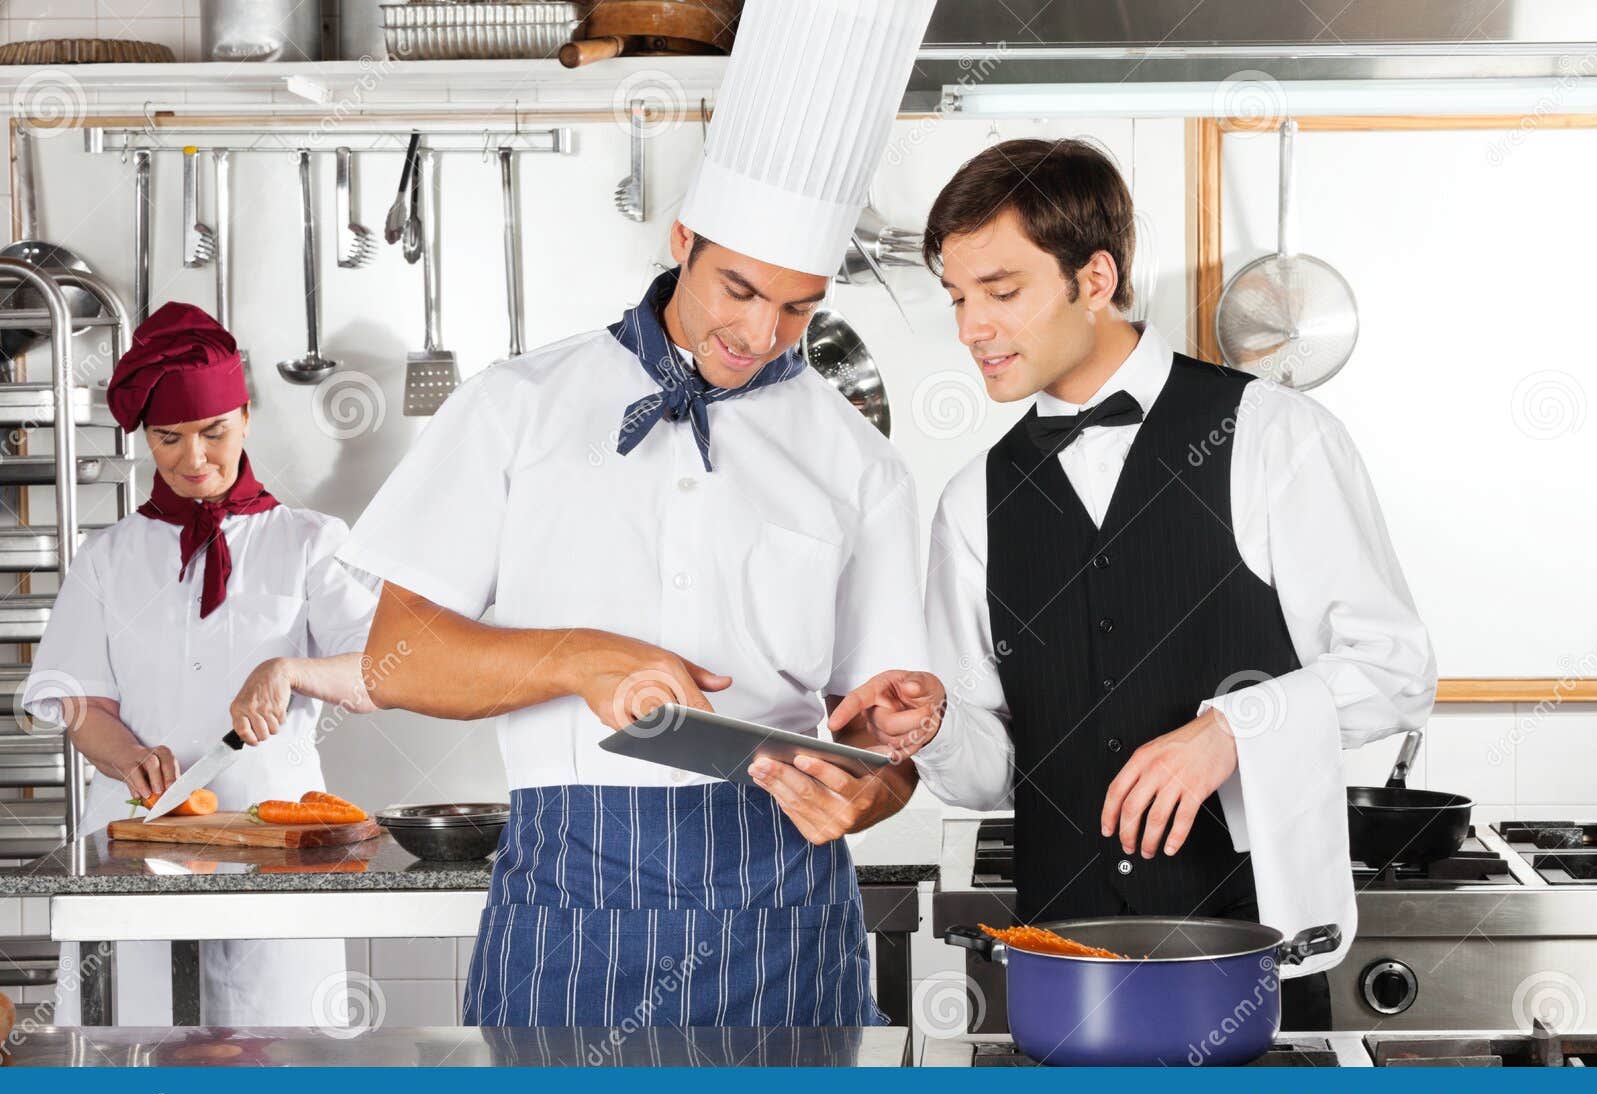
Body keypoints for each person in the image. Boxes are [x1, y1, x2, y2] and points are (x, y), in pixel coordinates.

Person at [335, 0, 937, 1028]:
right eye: (738, 289)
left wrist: (880, 770)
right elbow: (396, 661)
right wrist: (579, 658)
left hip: (785, 917)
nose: (759, 332)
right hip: (573, 911)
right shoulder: (516, 406)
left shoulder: (859, 461)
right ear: (683, 237)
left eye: (797, 306)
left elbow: (882, 746)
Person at [830, 138, 1437, 1030]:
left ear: (1096, 276)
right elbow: (996, 771)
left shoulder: (1277, 437)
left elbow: (1396, 668)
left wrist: (1231, 731)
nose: (971, 329)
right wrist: (933, 724)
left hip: (1246, 966)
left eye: (1001, 292)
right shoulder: (972, 503)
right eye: (959, 298)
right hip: (1061, 975)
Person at [22, 302, 380, 1026]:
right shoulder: (108, 556)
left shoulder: (311, 541)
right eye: (168, 437)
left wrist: (293, 670)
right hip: (136, 842)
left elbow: (381, 672)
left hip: (278, 848)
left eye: (214, 432)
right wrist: (127, 758)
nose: (194, 458)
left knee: (283, 1071)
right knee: (134, 1060)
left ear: (246, 415)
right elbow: (76, 698)